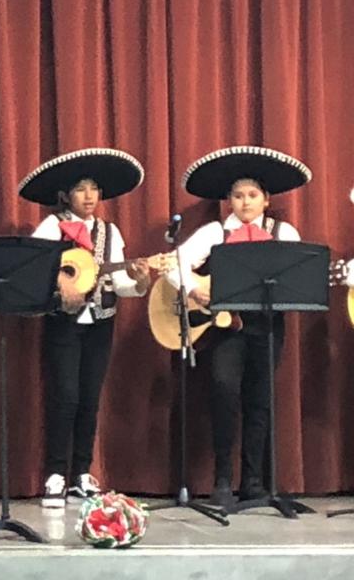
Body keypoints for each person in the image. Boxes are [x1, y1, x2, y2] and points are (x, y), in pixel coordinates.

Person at [166, 146, 310, 509]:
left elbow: (299, 274)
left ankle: (254, 482)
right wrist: (196, 286)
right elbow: (172, 264)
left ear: (265, 200)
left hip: (268, 327)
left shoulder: (283, 232)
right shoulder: (214, 232)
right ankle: (222, 479)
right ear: (228, 200)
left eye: (252, 196)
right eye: (238, 196)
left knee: (260, 402)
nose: (245, 203)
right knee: (224, 394)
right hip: (227, 330)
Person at [18, 148, 151, 508]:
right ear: (66, 195)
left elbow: (120, 282)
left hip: (101, 323)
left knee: (90, 398)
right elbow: (33, 273)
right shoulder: (52, 226)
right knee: (65, 396)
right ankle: (55, 473)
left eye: (94, 189)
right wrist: (61, 286)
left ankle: (81, 472)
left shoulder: (110, 232)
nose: (89, 197)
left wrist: (138, 282)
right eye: (80, 189)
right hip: (64, 323)